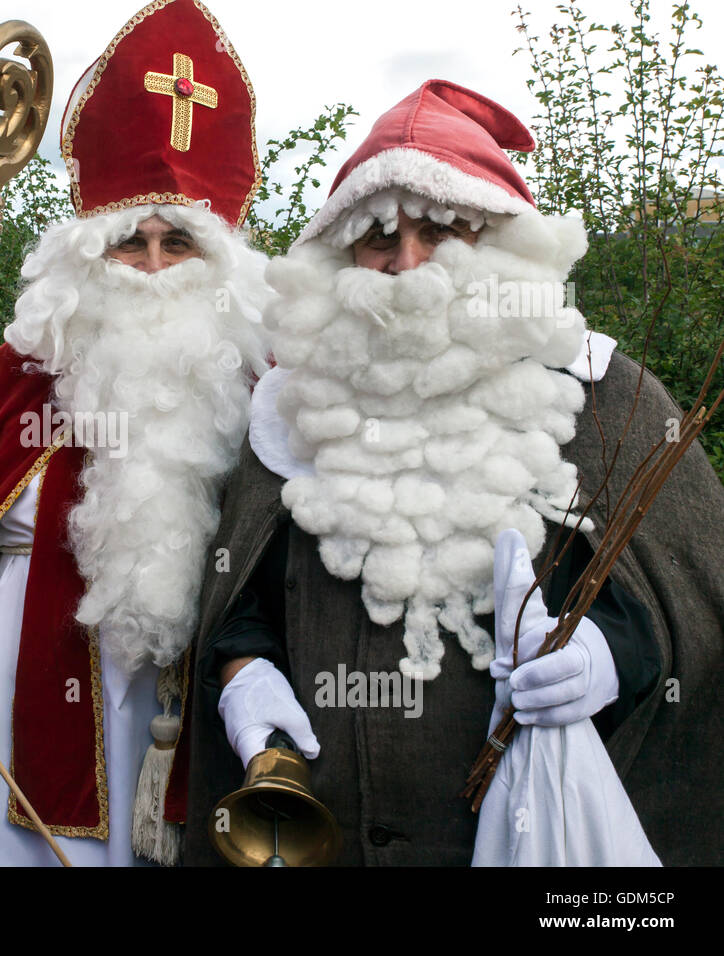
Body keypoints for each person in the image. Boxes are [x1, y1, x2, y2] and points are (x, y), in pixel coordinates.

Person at [182, 80, 724, 865]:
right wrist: (244, 676)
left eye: (442, 228)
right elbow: (242, 600)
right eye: (378, 238)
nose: (408, 265)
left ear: (503, 243)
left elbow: (699, 606)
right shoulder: (288, 408)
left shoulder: (611, 397)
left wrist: (610, 659)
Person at [0, 0, 273, 866]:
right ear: (89, 250)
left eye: (183, 245)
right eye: (133, 241)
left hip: (205, 707)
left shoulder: (261, 383)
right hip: (29, 699)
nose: (158, 268)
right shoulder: (25, 371)